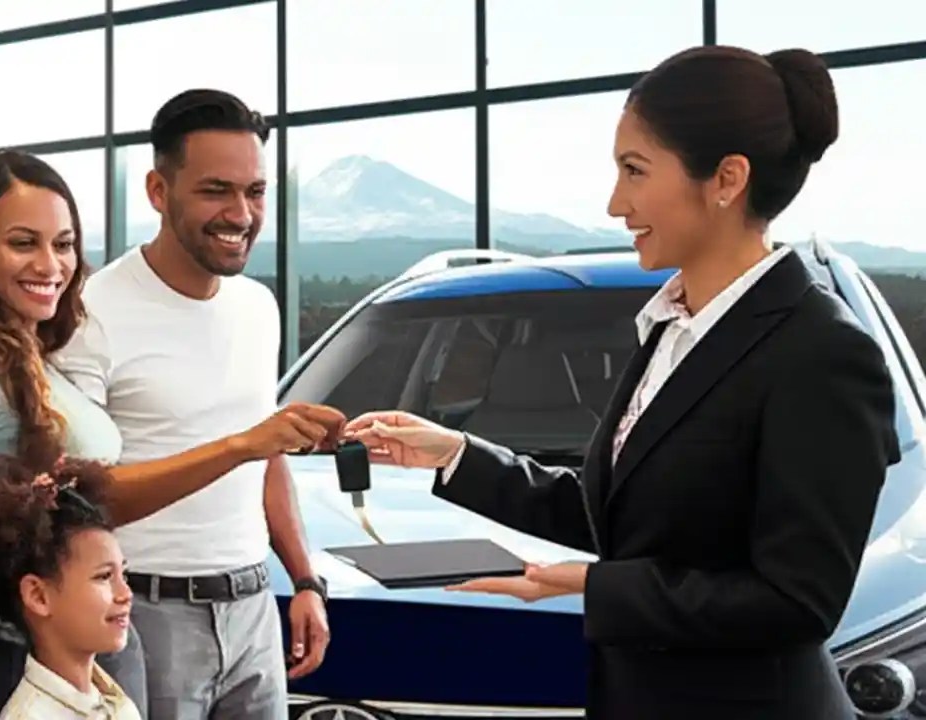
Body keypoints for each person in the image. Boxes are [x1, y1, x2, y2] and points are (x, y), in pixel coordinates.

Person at [347, 45, 901, 720]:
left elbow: (797, 601)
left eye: (634, 171)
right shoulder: (672, 327)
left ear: (726, 178)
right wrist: (455, 453)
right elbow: (627, 519)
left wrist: (595, 587)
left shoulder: (821, 354)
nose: (616, 202)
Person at [0, 149, 345, 718]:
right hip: (21, 655)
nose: (50, 264)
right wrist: (239, 446)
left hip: (90, 643)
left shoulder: (38, 357)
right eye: (23, 243)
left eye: (65, 244)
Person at [53, 88, 329, 720]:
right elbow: (83, 495)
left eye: (255, 192)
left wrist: (305, 580)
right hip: (143, 617)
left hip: (256, 609)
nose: (241, 213)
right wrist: (241, 446)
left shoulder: (258, 307)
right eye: (215, 191)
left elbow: (269, 457)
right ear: (158, 190)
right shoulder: (93, 310)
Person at [0, 454, 143, 720]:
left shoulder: (117, 704)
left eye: (124, 574)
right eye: (103, 577)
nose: (125, 594)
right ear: (38, 596)